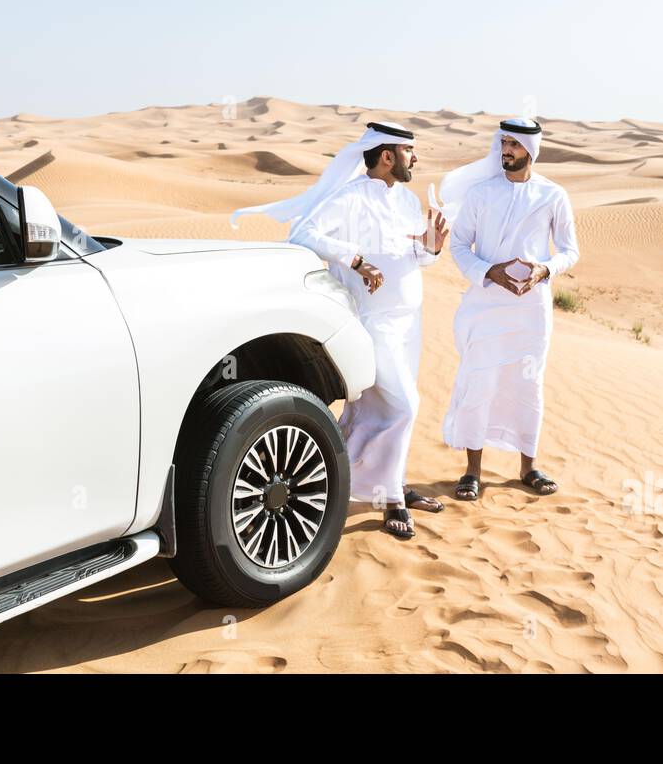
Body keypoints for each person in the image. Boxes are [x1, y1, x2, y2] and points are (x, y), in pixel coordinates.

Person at [231, 121, 448, 540]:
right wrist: (354, 259)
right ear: (388, 156)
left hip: (409, 321)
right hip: (371, 322)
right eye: (410, 152)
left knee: (382, 409)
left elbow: (416, 257)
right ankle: (389, 499)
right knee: (403, 406)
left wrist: (433, 246)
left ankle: (382, 482)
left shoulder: (405, 199)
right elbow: (303, 234)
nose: (416, 159)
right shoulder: (348, 198)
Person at [437, 118, 580, 500]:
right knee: (479, 382)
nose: (506, 150)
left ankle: (528, 467)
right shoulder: (481, 194)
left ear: (531, 150)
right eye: (503, 142)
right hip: (485, 304)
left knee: (528, 385)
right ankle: (472, 471)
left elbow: (570, 250)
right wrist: (489, 272)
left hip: (531, 309)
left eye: (514, 145)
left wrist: (544, 269)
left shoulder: (553, 195)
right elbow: (460, 246)